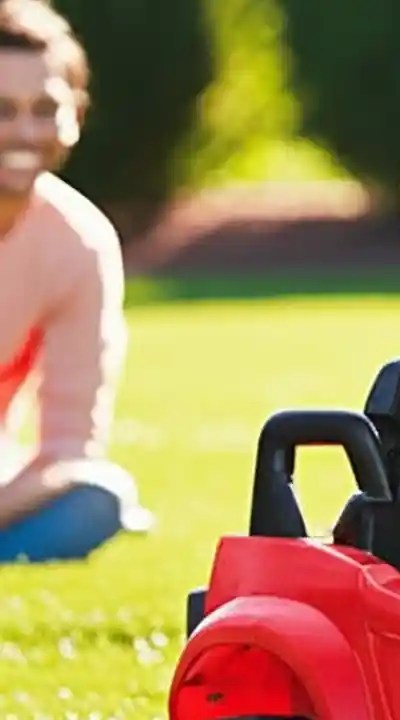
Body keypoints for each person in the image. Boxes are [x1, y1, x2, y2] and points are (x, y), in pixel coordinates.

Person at [0, 0, 151, 562]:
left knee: (99, 498)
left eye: (43, 108)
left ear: (75, 117)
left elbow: (68, 450)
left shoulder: (79, 244)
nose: (22, 130)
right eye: (2, 109)